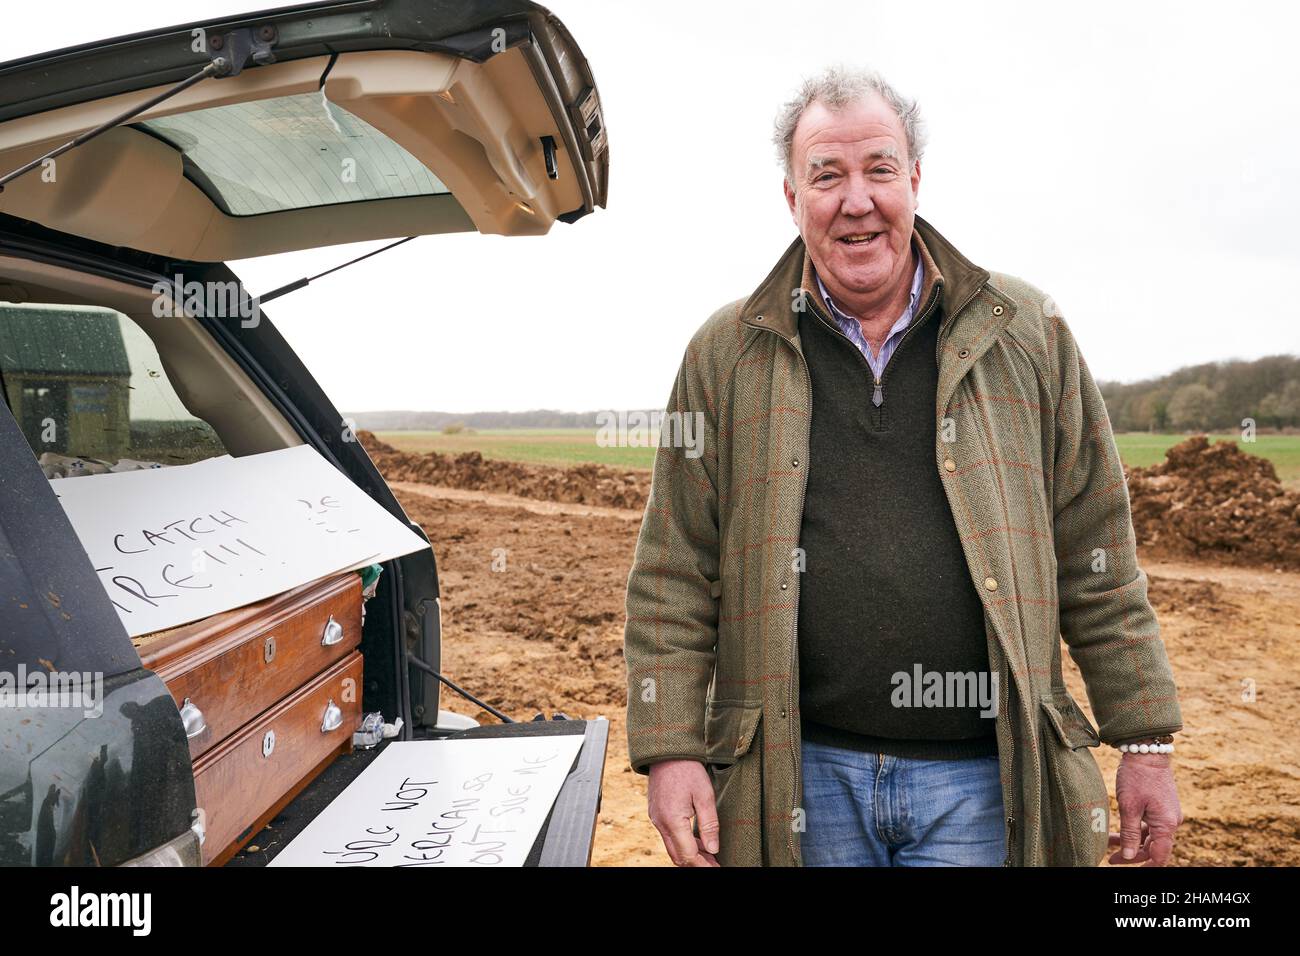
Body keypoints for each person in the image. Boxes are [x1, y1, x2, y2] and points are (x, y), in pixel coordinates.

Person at [623, 66, 1183, 866]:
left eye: (879, 169)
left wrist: (1146, 740)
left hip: (987, 787)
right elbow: (673, 570)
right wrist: (673, 746)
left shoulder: (1026, 334)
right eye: (827, 176)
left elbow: (1099, 558)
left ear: (914, 180)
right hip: (801, 783)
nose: (857, 200)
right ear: (792, 199)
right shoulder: (726, 353)